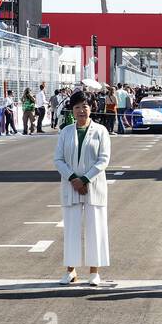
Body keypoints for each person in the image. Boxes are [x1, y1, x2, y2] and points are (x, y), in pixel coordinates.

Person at [54, 90, 111, 286]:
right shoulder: (66, 131)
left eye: (85, 106)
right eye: (77, 107)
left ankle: (94, 271)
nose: (81, 111)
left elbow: (104, 159)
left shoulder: (101, 131)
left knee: (95, 228)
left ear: (91, 108)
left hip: (93, 187)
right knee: (71, 229)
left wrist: (85, 179)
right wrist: (73, 179)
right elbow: (58, 159)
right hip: (71, 187)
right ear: (72, 109)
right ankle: (70, 270)